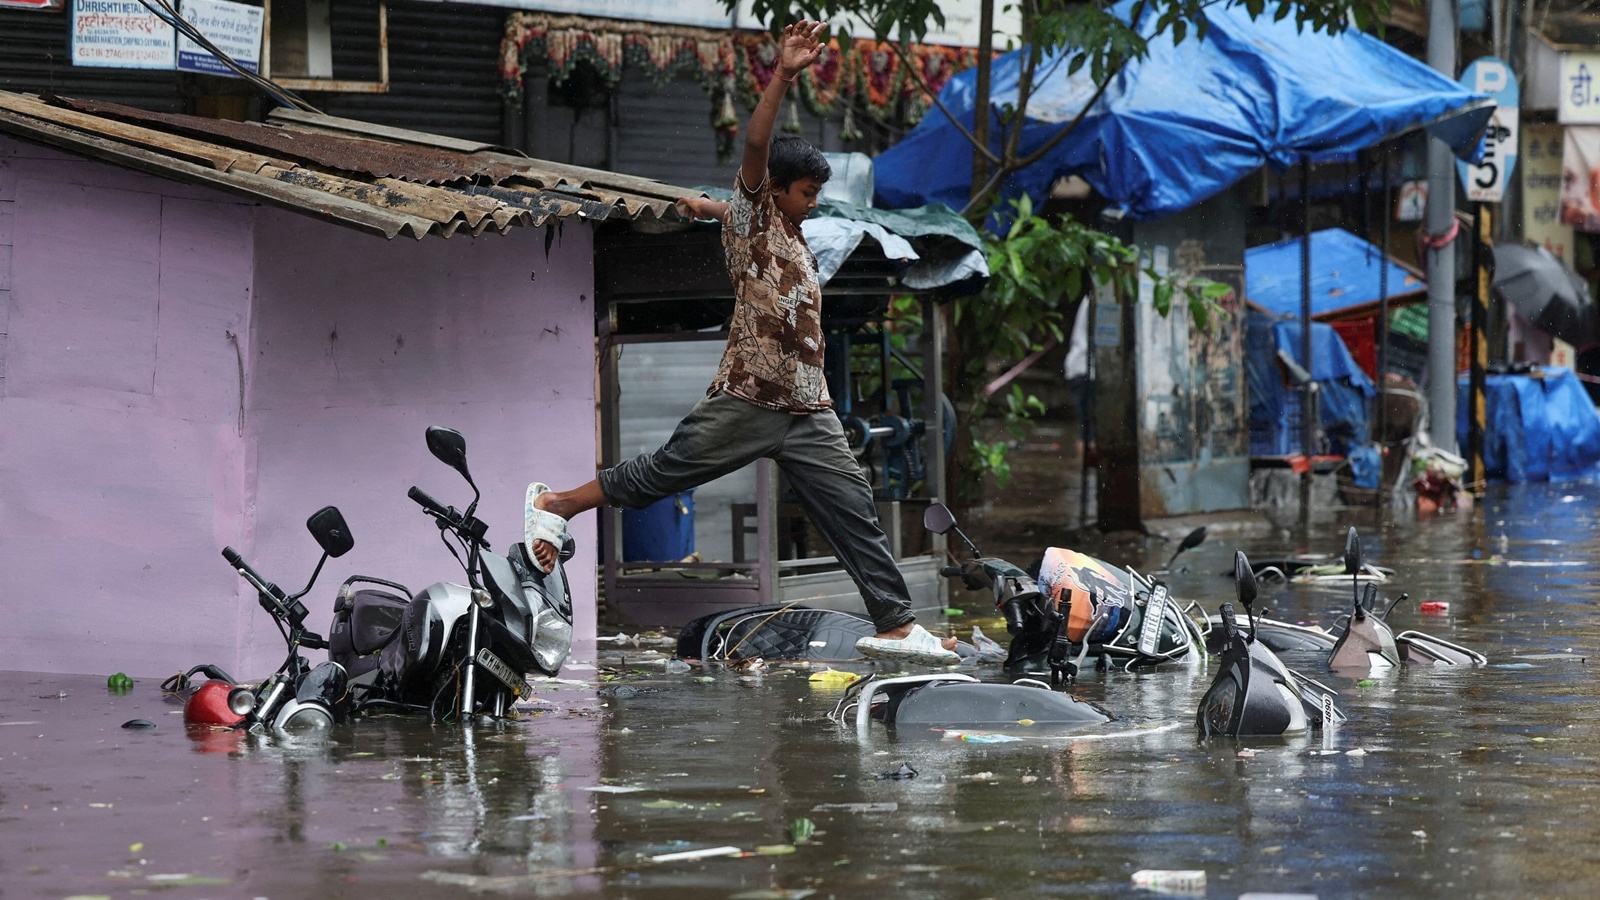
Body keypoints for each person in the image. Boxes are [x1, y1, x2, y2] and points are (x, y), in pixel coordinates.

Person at [522, 19, 958, 666]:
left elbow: (742, 217)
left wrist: (708, 210)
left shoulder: (781, 227)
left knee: (855, 509)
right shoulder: (757, 211)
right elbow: (756, 149)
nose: (813, 203)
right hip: (751, 398)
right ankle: (554, 504)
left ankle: (895, 624)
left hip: (808, 410)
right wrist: (782, 75)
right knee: (664, 472)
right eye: (806, 193)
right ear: (775, 190)